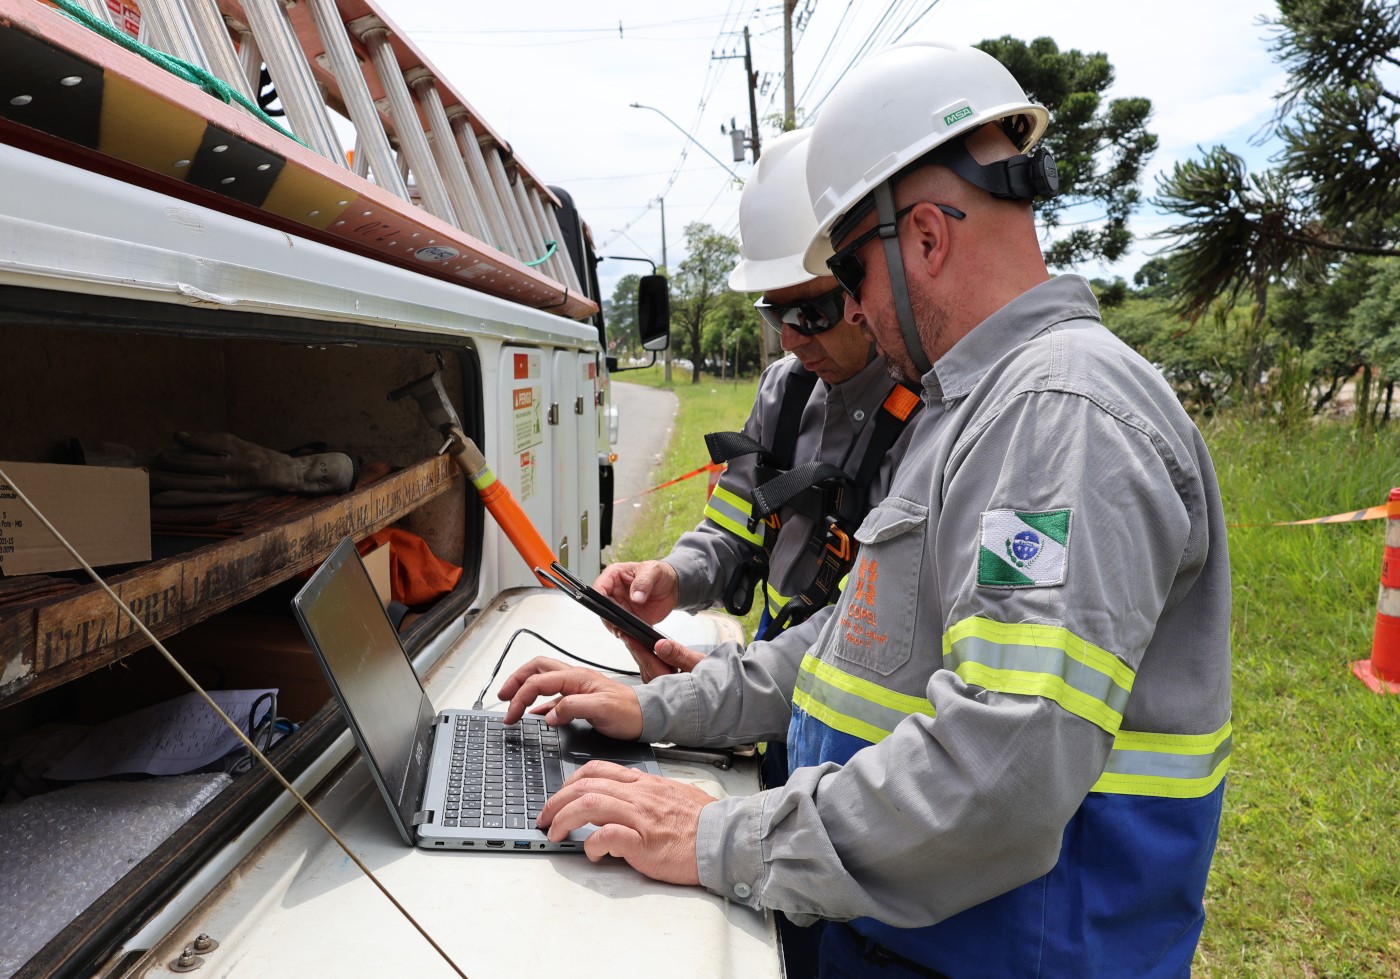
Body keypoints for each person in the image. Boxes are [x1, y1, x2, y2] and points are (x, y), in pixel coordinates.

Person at [505, 41, 1232, 979]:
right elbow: (848, 647)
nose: (850, 310)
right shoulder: (965, 410)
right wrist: (654, 707)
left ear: (926, 235)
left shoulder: (1062, 418)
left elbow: (1000, 770)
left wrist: (724, 836)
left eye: (849, 275)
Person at [595, 128, 920, 684]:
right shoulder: (784, 391)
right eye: (775, 316)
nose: (791, 341)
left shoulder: (927, 413)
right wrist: (673, 576)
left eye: (809, 316)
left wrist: (735, 687)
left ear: (863, 287)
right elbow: (733, 527)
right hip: (772, 662)